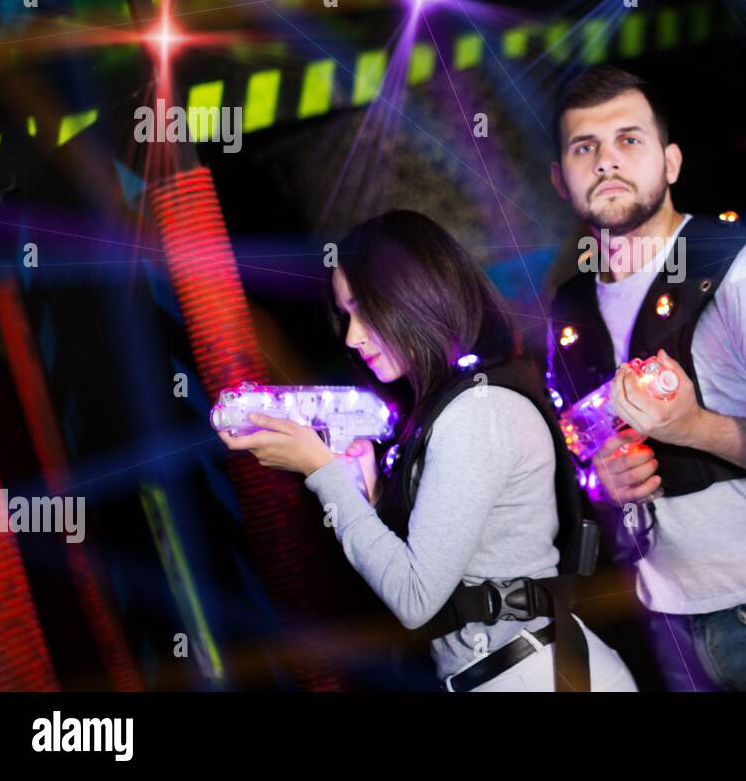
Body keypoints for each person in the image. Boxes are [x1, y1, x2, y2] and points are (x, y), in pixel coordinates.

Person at [218, 209, 637, 692]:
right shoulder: (459, 403)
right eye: (346, 315)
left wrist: (321, 472)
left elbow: (416, 598)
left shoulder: (476, 413)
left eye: (363, 309)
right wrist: (369, 494)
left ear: (413, 297)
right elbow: (441, 562)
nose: (352, 338)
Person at [547, 65, 746, 691]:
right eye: (585, 148)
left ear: (672, 161)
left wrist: (695, 427)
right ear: (560, 179)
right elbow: (580, 448)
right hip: (665, 621)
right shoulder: (568, 306)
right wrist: (599, 478)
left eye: (629, 140)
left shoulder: (743, 267)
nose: (607, 161)